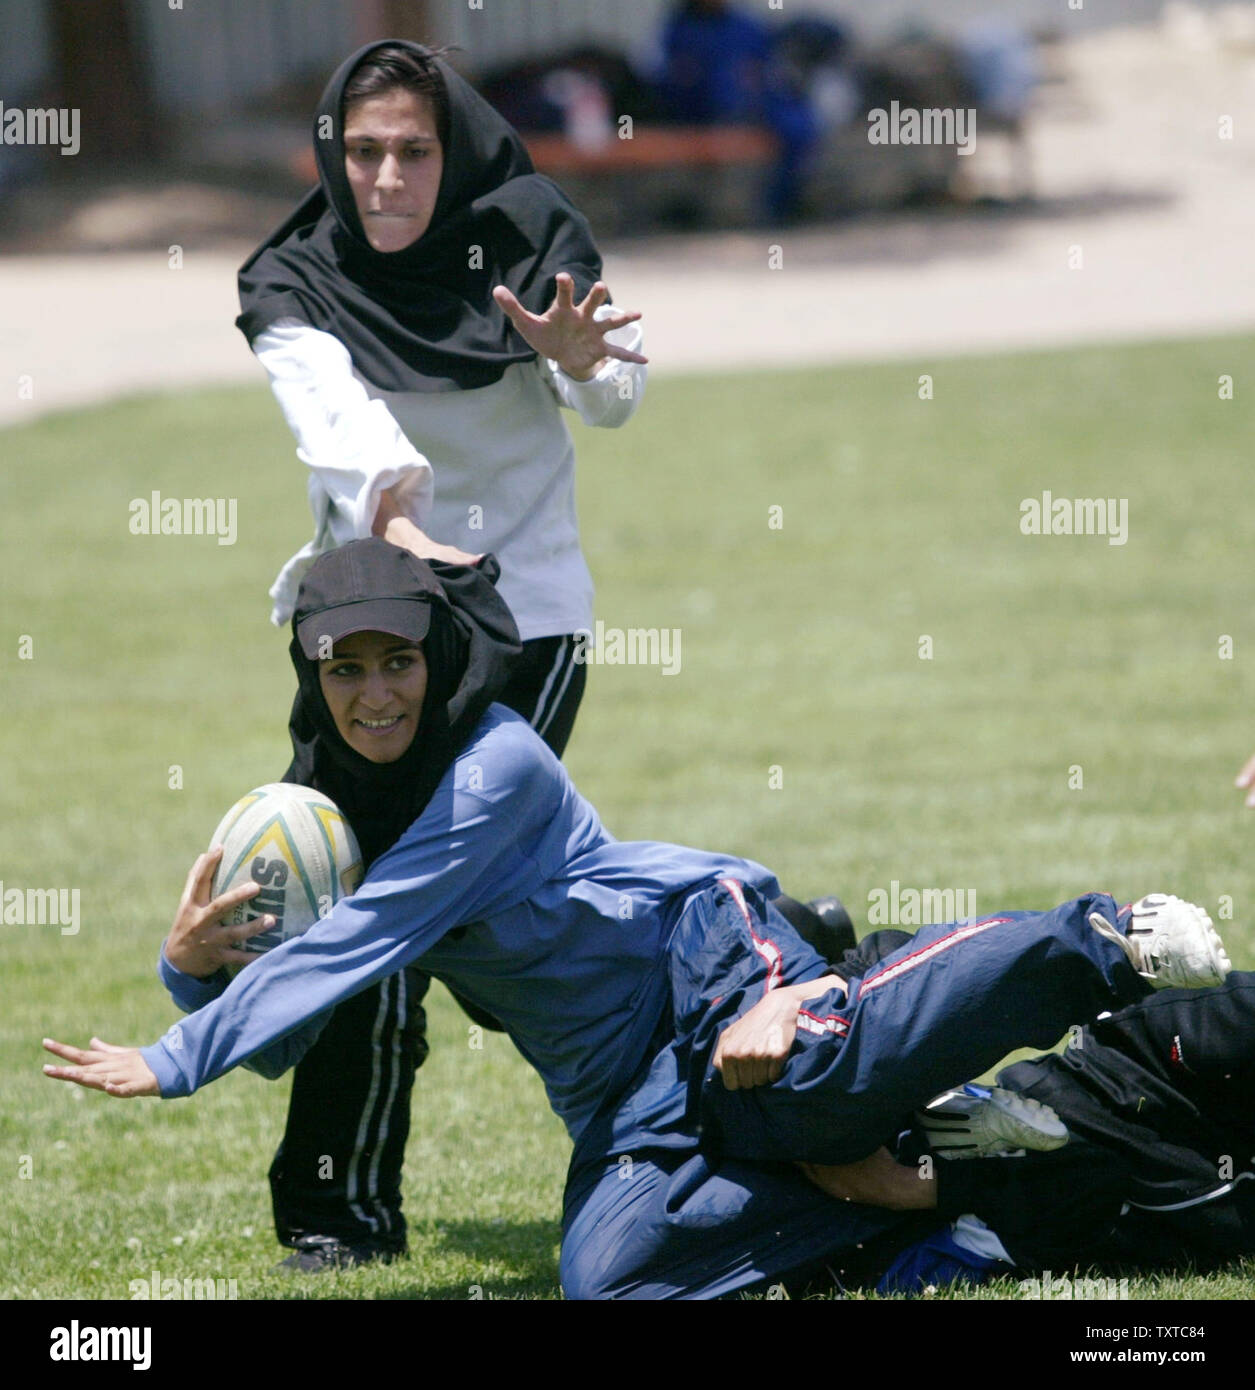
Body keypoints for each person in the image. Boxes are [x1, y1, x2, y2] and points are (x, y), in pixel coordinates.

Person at [43, 539, 1235, 1299]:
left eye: (394, 661)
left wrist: (172, 1058)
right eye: (342, 668)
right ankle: (942, 1149)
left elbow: (366, 940)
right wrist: (191, 968)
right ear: (310, 675)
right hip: (625, 1094)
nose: (373, 693)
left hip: (703, 959)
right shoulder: (333, 819)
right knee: (610, 1281)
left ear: (435, 653)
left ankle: (1095, 939)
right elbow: (310, 1028)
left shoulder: (493, 766)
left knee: (786, 1085)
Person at [234, 37, 651, 1268]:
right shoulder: (294, 275)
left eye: (413, 150)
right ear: (332, 155)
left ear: (451, 149)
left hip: (524, 625)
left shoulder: (525, 234)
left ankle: (734, 980)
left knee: (474, 926)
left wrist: (585, 367)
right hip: (369, 628)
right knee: (355, 911)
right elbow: (333, 416)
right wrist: (399, 518)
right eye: (362, 152)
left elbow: (618, 384)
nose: (386, 176)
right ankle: (335, 1219)